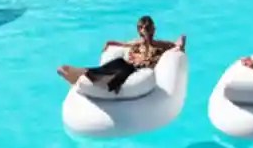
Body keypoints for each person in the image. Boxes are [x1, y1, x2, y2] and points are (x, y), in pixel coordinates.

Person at [57, 15, 187, 93]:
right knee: (113, 65)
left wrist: (181, 41)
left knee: (122, 70)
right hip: (128, 63)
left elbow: (177, 44)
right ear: (140, 31)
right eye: (143, 29)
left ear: (153, 29)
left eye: (148, 29)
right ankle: (80, 73)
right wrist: (110, 43)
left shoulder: (161, 45)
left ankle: (101, 83)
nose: (146, 33)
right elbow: (124, 44)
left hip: (138, 68)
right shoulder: (137, 42)